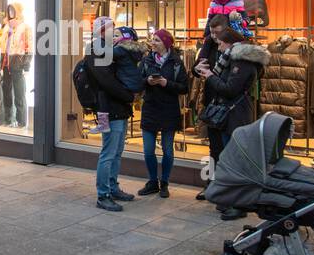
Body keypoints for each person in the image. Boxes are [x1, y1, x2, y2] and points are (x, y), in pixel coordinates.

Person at [197, 17, 269, 220]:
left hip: (235, 116)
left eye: (219, 42)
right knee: (226, 158)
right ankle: (228, 199)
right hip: (227, 115)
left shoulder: (242, 61)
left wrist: (210, 76)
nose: (217, 46)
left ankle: (238, 204)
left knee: (234, 161)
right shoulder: (232, 58)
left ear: (229, 42)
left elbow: (230, 89)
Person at [86, 17, 137, 212]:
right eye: (110, 29)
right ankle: (103, 194)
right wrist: (128, 94)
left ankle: (113, 187)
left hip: (119, 107)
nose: (113, 33)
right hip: (107, 109)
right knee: (108, 152)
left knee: (116, 151)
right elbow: (106, 81)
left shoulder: (109, 50)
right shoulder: (95, 51)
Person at [137, 28, 189, 198]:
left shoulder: (176, 63)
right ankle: (152, 181)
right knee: (148, 150)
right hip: (150, 109)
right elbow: (138, 83)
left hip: (168, 110)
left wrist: (167, 83)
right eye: (153, 40)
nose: (153, 43)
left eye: (157, 40)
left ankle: (164, 182)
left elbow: (184, 88)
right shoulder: (146, 61)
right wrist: (148, 81)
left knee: (168, 150)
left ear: (166, 43)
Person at [191, 13, 232, 200]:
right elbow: (195, 67)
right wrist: (198, 68)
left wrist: (210, 75)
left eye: (217, 33)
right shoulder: (208, 44)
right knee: (213, 148)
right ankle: (210, 185)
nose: (214, 37)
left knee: (228, 149)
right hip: (211, 103)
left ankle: (226, 189)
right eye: (212, 32)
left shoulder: (236, 48)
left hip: (229, 106)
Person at [0, 3, 32, 129]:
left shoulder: (25, 27)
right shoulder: (6, 28)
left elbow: (29, 46)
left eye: (13, 11)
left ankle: (21, 121)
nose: (11, 13)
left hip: (18, 62)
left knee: (19, 94)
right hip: (6, 63)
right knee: (6, 93)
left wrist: (27, 66)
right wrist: (1, 65)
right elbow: (3, 47)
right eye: (9, 11)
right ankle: (8, 119)